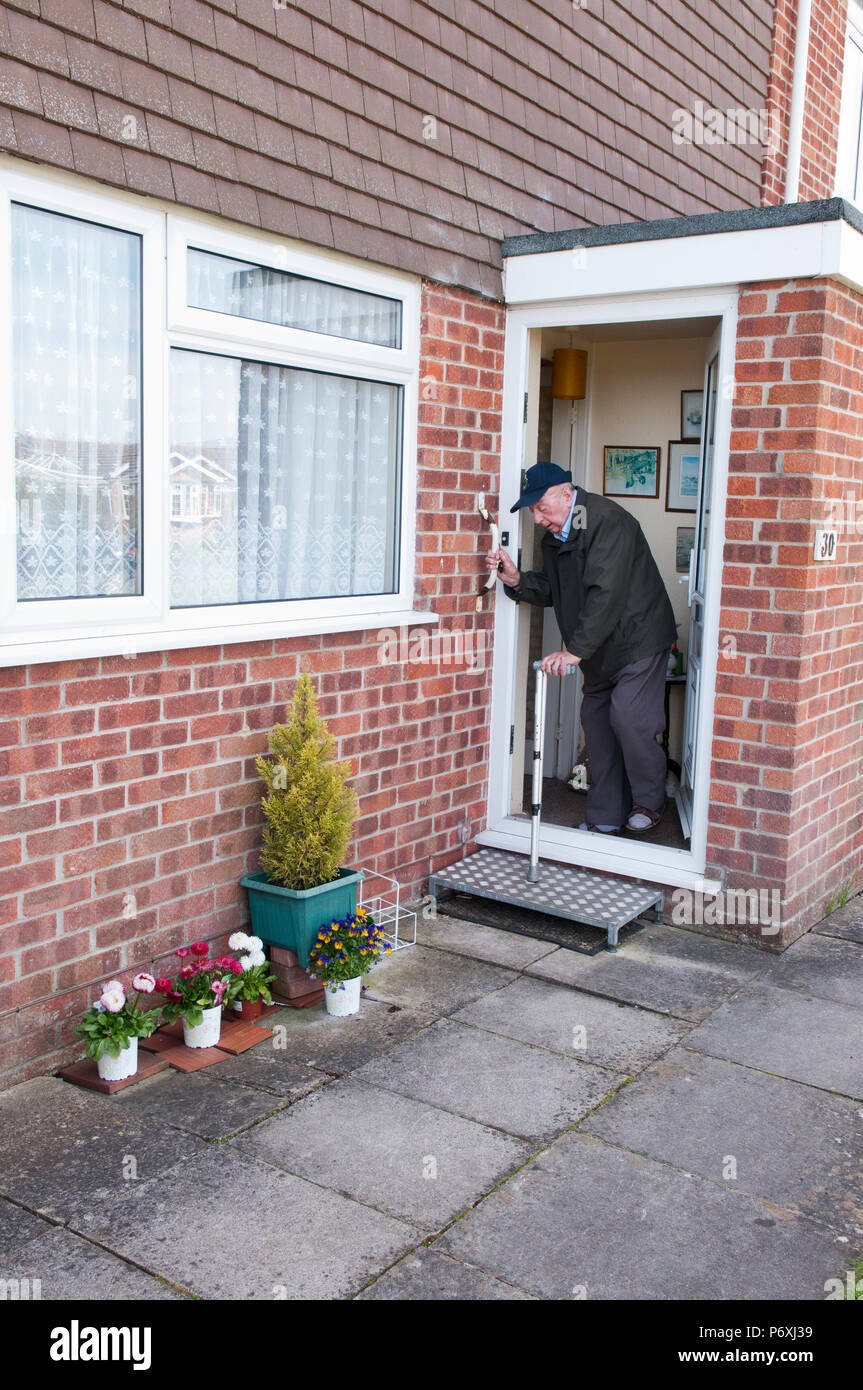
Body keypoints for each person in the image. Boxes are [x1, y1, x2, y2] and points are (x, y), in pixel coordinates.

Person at [486, 461, 677, 835]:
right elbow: (560, 590)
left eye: (541, 507)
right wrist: (518, 580)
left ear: (566, 492)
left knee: (630, 717)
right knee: (597, 725)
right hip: (598, 649)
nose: (538, 518)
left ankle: (649, 803)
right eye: (532, 511)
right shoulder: (554, 538)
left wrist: (574, 651)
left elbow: (606, 593)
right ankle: (606, 814)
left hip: (638, 638)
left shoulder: (608, 522)